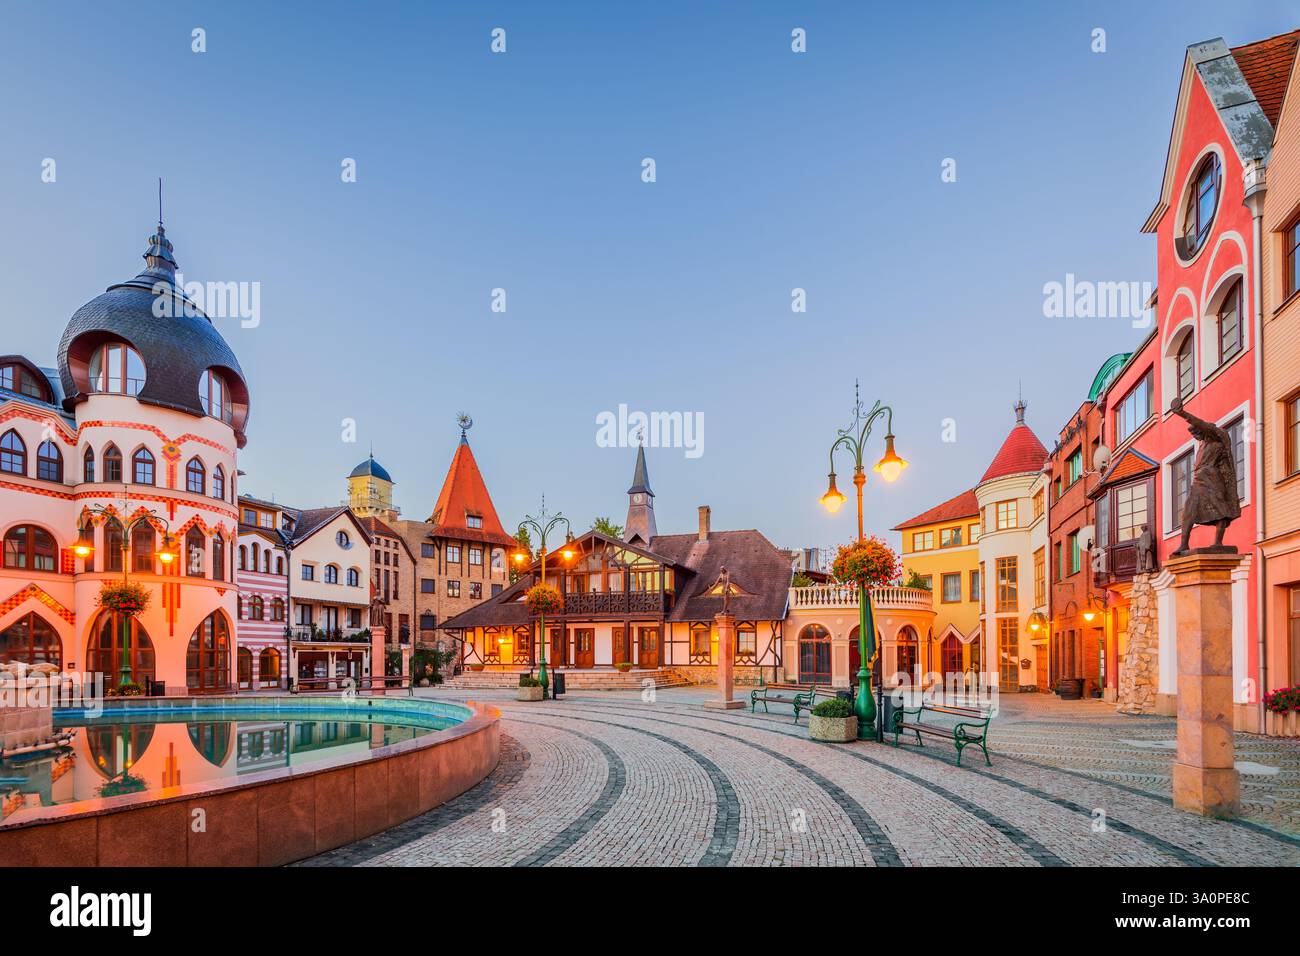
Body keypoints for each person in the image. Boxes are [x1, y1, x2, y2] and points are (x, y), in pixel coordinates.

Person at [1169, 393, 1240, 553]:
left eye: (1196, 433)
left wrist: (1182, 413)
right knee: (1188, 509)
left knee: (1220, 509)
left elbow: (1200, 424)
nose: (1195, 436)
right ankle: (1184, 544)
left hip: (1213, 478)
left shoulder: (1218, 436)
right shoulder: (1203, 445)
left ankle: (1218, 542)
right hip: (1198, 480)